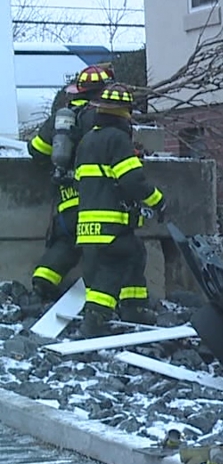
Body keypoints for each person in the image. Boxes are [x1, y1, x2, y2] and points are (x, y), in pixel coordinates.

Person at [73, 83, 167, 337]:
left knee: (135, 253)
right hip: (110, 222)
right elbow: (131, 180)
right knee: (114, 265)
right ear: (125, 111)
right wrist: (157, 200)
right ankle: (94, 318)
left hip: (87, 225)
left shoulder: (87, 140)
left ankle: (133, 307)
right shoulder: (117, 138)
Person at [27, 65, 114, 301]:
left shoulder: (61, 117)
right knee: (110, 245)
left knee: (67, 240)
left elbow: (36, 150)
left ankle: (43, 281)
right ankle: (105, 301)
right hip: (98, 197)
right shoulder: (105, 118)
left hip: (67, 196)